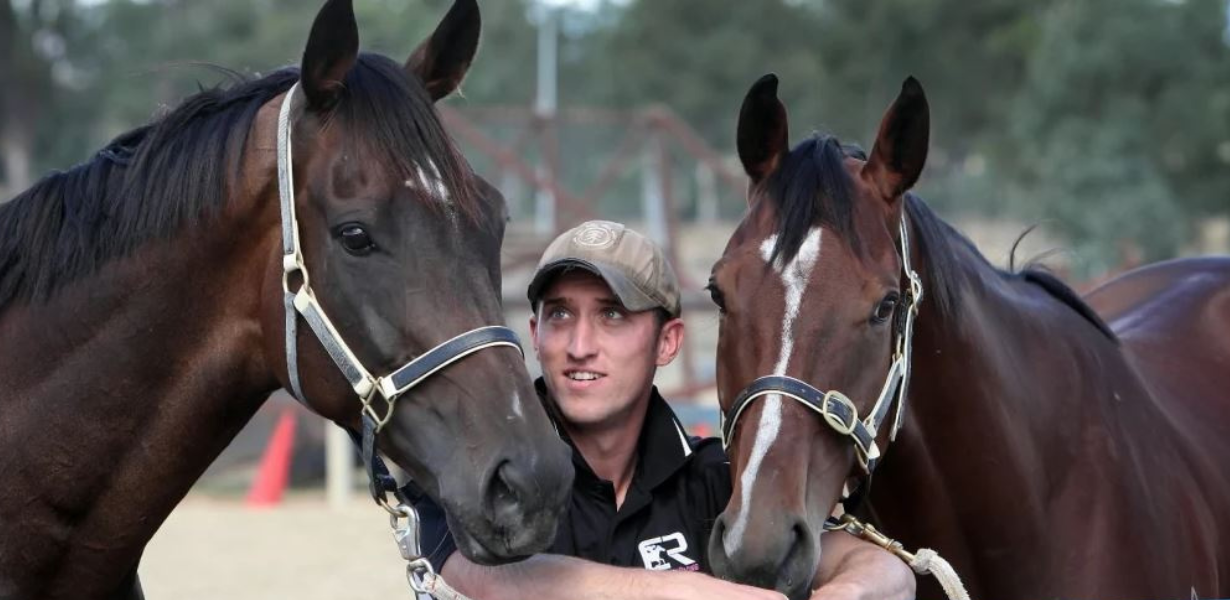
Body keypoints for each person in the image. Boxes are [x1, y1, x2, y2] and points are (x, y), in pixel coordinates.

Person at [408, 220, 915, 600]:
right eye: (560, 314)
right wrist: (684, 592)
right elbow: (479, 578)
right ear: (536, 335)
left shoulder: (719, 482)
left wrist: (844, 593)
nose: (580, 345)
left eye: (612, 315)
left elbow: (888, 574)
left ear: (667, 343)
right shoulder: (484, 469)